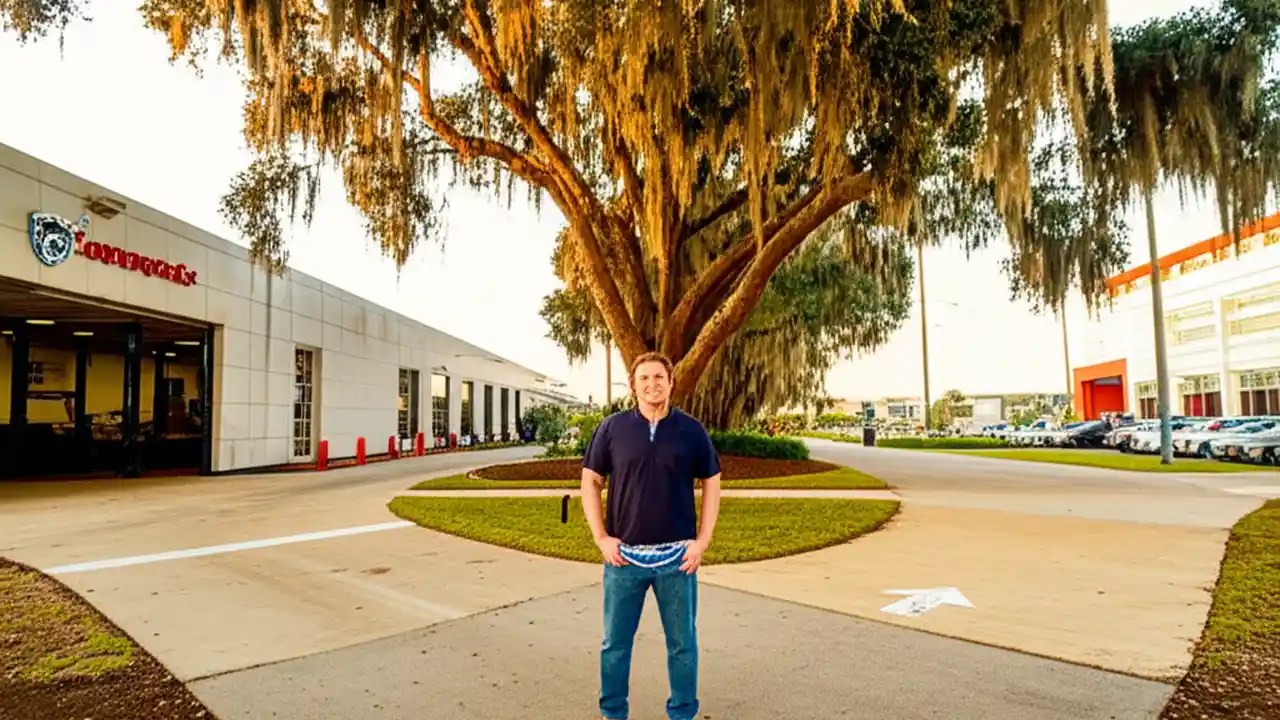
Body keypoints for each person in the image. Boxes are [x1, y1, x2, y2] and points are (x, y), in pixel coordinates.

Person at [581, 351, 722, 720]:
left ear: (671, 382)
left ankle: (682, 712)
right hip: (623, 558)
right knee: (615, 645)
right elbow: (591, 482)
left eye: (659, 377)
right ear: (633, 385)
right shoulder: (612, 429)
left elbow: (712, 483)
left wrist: (702, 541)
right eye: (644, 378)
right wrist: (601, 538)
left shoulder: (691, 431)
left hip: (678, 560)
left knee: (682, 645)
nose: (652, 384)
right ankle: (613, 712)